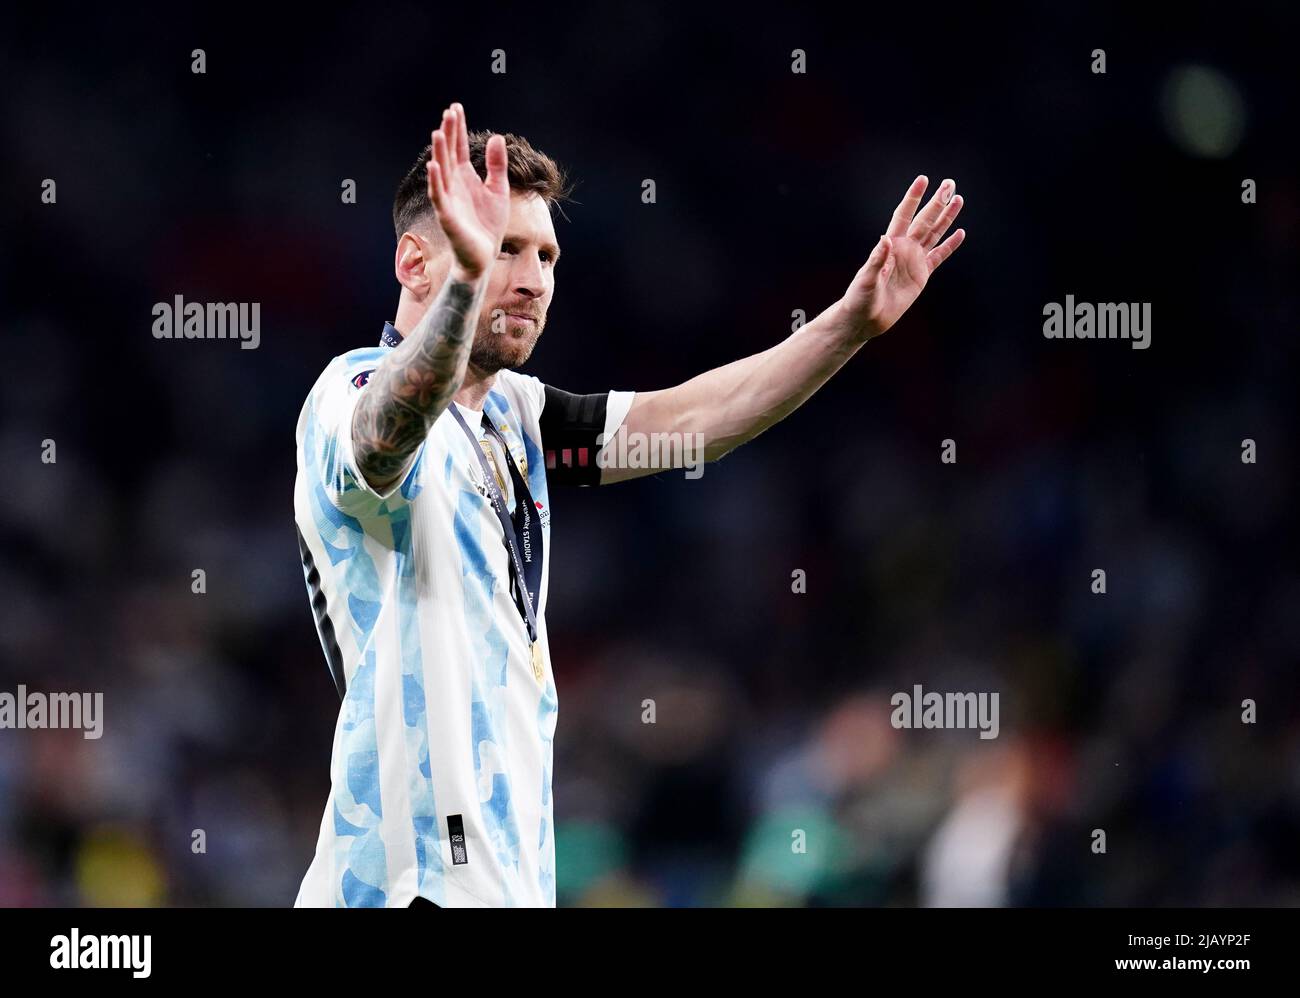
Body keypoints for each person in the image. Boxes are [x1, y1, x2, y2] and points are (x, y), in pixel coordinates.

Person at [293, 102, 965, 907]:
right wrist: (467, 287)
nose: (533, 278)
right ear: (415, 265)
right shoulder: (352, 390)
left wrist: (848, 326)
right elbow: (382, 436)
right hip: (404, 885)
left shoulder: (516, 419)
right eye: (503, 247)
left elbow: (685, 425)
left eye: (546, 255)